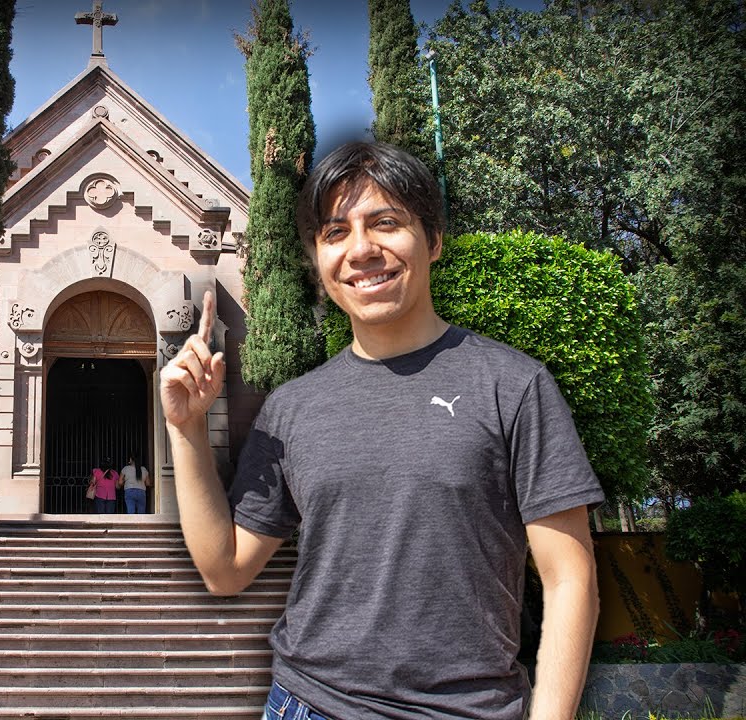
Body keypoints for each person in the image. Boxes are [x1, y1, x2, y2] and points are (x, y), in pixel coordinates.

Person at [160, 141, 602, 720]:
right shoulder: (294, 407)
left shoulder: (513, 385)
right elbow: (225, 569)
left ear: (434, 240)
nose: (361, 250)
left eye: (386, 223)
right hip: (306, 705)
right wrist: (187, 429)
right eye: (336, 232)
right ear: (319, 259)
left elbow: (571, 579)